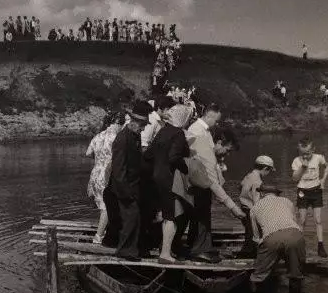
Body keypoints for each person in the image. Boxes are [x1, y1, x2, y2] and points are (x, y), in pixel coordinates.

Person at [182, 104, 246, 263]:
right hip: (195, 182)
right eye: (228, 150)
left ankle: (198, 245)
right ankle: (199, 249)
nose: (227, 154)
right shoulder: (202, 135)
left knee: (200, 213)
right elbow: (211, 180)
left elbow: (213, 164)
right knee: (201, 213)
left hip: (195, 179)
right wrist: (232, 207)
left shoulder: (203, 131)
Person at [103, 101, 152, 261]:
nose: (144, 128)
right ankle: (125, 250)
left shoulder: (134, 135)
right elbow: (118, 169)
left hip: (133, 185)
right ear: (134, 122)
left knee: (134, 217)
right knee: (131, 216)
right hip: (124, 187)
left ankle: (131, 248)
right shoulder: (122, 139)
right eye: (143, 124)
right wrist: (125, 192)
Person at [144, 103, 192, 263]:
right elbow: (174, 157)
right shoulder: (178, 133)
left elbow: (148, 154)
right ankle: (165, 253)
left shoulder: (162, 130)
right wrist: (187, 169)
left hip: (156, 176)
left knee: (165, 215)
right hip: (169, 178)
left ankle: (162, 248)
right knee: (171, 216)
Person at [248, 186, 305, 293]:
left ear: (262, 194)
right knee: (295, 275)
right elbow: (293, 221)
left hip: (272, 237)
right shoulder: (287, 202)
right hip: (295, 235)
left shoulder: (254, 208)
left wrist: (262, 259)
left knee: (259, 276)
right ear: (277, 194)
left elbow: (256, 238)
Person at [86, 112, 124, 243]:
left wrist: (99, 158)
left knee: (102, 205)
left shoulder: (98, 136)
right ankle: (99, 236)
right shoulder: (117, 138)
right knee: (108, 207)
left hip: (96, 172)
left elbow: (88, 153)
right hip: (108, 174)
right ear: (119, 124)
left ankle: (104, 229)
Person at [291, 137, 328, 258]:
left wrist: (323, 179)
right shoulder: (296, 161)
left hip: (316, 190)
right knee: (302, 220)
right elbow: (295, 179)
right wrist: (303, 167)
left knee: (318, 219)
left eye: (307, 153)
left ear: (313, 150)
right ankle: (299, 246)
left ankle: (320, 246)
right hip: (302, 191)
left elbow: (327, 166)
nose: (305, 156)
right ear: (299, 151)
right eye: (302, 153)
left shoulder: (319, 158)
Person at [238, 155, 276, 258]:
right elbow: (257, 201)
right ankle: (248, 256)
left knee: (248, 233)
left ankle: (245, 253)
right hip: (251, 210)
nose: (268, 174)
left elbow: (240, 186)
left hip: (243, 208)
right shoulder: (257, 181)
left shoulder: (249, 175)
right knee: (253, 235)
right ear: (265, 169)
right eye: (269, 171)